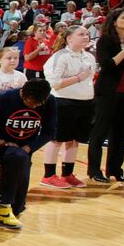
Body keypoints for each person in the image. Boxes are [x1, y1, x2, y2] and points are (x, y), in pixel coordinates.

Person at [0, 79, 56, 229]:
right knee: (16, 159)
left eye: (38, 104)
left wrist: (28, 148)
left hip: (23, 153)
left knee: (17, 208)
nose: (35, 106)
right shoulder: (1, 98)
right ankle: (2, 212)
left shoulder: (50, 101)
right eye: (31, 102)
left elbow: (49, 132)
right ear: (23, 93)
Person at [88, 9, 124, 182]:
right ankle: (94, 170)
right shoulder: (105, 41)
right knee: (100, 131)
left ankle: (115, 170)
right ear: (114, 21)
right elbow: (106, 65)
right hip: (107, 92)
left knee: (120, 133)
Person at [41, 25, 95, 188]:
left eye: (87, 34)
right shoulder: (60, 56)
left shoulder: (89, 57)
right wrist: (78, 78)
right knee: (57, 139)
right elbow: (54, 83)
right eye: (81, 34)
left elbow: (89, 79)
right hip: (63, 102)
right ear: (69, 38)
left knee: (74, 139)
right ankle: (48, 175)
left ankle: (67, 174)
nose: (86, 37)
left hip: (84, 102)